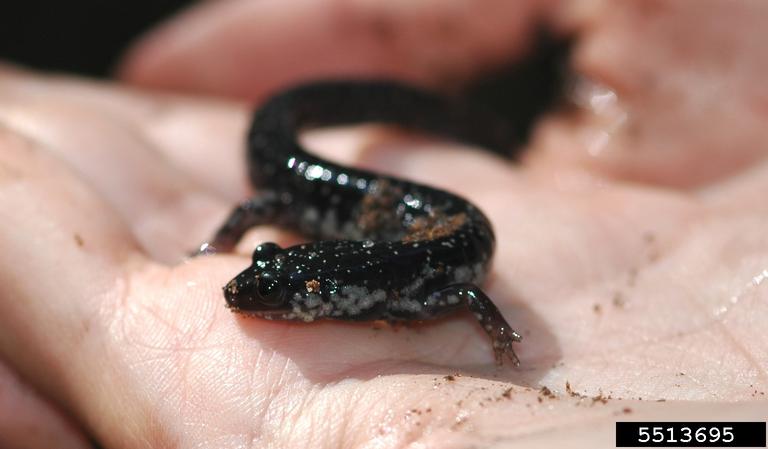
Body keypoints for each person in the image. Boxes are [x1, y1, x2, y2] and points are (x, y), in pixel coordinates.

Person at [1, 1, 766, 447]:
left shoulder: (410, 290)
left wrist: (503, 343)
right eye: (271, 278)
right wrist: (227, 240)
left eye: (280, 291)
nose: (254, 297)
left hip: (430, 224)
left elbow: (471, 297)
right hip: (320, 183)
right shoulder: (367, 270)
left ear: (330, 295)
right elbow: (279, 219)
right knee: (284, 182)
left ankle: (441, 114)